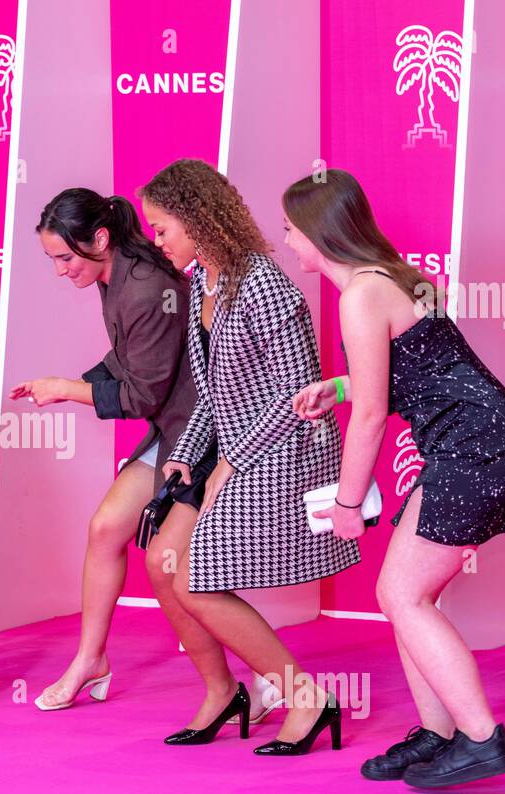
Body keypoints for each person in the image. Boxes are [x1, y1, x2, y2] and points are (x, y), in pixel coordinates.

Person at [282, 168, 505, 786]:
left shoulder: (360, 294)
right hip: (485, 439)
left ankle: (481, 739)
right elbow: (419, 371)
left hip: (477, 446)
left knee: (402, 595)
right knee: (403, 594)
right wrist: (339, 386)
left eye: (291, 231)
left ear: (320, 234)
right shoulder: (390, 278)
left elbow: (373, 415)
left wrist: (348, 503)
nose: (287, 242)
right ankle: (437, 734)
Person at [140, 159, 360, 753]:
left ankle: (304, 696)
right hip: (239, 452)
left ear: (195, 219)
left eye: (162, 229)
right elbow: (212, 389)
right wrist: (185, 456)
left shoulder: (262, 281)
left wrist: (231, 464)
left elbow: (300, 393)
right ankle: (238, 693)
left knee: (195, 581)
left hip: (288, 454)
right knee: (167, 564)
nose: (157, 242)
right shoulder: (202, 282)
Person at [14, 187, 249, 713]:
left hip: (200, 436)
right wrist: (71, 382)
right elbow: (128, 359)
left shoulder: (144, 286)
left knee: (170, 566)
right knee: (105, 530)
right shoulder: (115, 274)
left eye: (64, 258)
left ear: (99, 238)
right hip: (171, 428)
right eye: (53, 259)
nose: (59, 271)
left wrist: (68, 390)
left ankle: (254, 682)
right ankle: (91, 659)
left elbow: (142, 393)